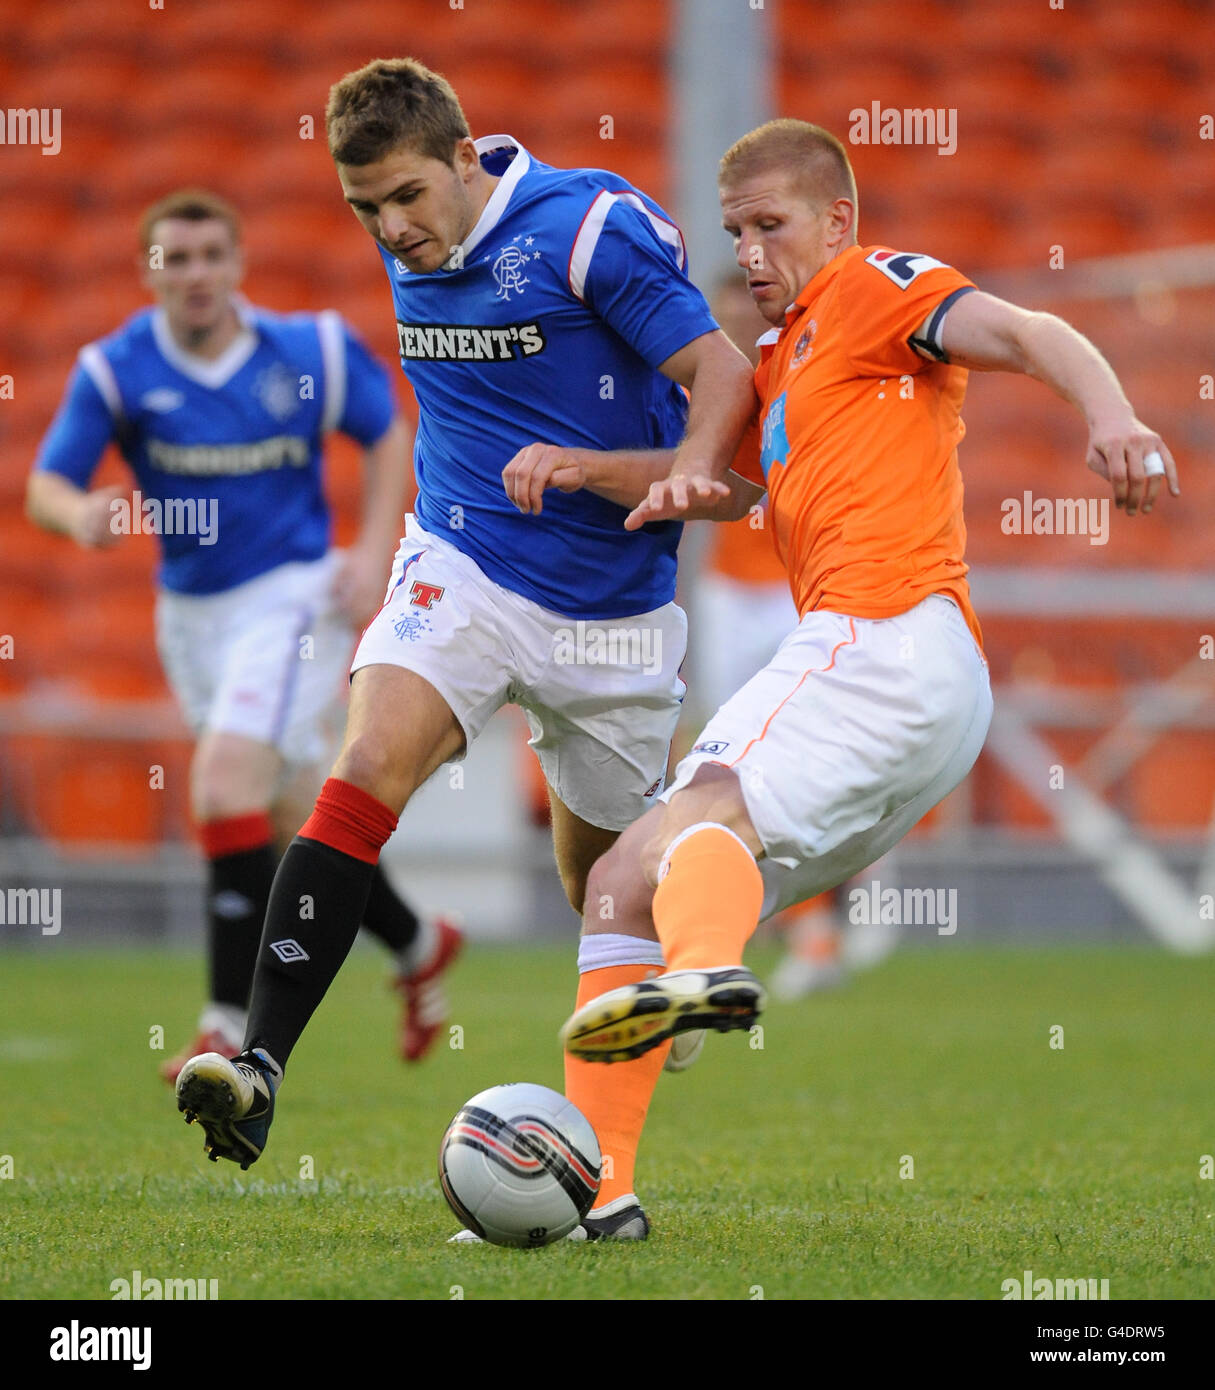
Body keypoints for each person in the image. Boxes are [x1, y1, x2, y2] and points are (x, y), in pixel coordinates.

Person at [172, 57, 756, 1242]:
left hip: (613, 614)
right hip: (464, 563)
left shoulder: (583, 231)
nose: (392, 230)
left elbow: (724, 373)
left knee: (605, 878)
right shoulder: (410, 236)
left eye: (405, 198)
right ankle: (258, 1060)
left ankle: (637, 999)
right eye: (364, 211)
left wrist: (683, 466)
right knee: (367, 761)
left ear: (465, 156)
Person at [557, 118, 1180, 1227]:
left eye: (770, 225)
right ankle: (603, 1193)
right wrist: (579, 470)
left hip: (882, 632)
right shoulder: (787, 358)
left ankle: (702, 976)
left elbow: (1032, 330)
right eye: (735, 230)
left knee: (699, 810)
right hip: (920, 691)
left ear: (837, 223)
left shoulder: (876, 288)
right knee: (621, 886)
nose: (748, 251)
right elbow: (719, 482)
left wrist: (1114, 415)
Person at [26, 188, 463, 1078]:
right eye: (175, 259)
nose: (195, 275)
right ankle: (419, 943)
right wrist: (79, 517)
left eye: (210, 256)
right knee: (280, 818)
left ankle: (225, 1025)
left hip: (293, 601)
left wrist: (373, 547)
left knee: (224, 783)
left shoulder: (308, 351)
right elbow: (46, 485)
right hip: (191, 617)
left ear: (238, 264)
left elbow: (388, 435)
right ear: (149, 271)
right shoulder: (114, 370)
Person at [696, 275, 900, 1000]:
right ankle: (804, 929)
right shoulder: (707, 385)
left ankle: (859, 885)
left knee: (818, 757)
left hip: (795, 589)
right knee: (737, 766)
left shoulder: (800, 373)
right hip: (728, 592)